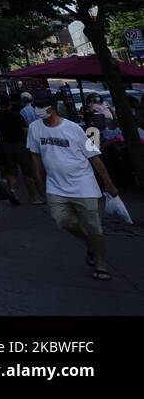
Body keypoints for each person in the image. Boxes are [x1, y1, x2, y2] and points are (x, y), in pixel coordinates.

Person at [26, 90, 120, 281]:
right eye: (34, 106)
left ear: (50, 108)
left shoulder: (73, 129)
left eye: (39, 106)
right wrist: (38, 181)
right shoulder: (34, 128)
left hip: (83, 185)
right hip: (55, 186)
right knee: (64, 221)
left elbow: (94, 157)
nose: (36, 109)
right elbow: (35, 156)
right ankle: (90, 245)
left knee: (94, 227)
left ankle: (101, 261)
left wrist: (109, 184)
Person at [0, 93, 43, 205]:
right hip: (20, 144)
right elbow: (25, 130)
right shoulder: (17, 115)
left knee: (10, 171)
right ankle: (33, 197)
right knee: (27, 171)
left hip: (4, 145)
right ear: (9, 103)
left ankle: (12, 190)